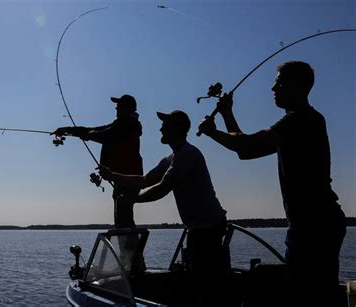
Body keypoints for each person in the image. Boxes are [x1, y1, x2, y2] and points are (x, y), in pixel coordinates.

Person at [198, 61, 347, 306]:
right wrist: (227, 114)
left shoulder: (300, 120)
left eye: (279, 81)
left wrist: (212, 131)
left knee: (309, 294)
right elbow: (246, 150)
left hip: (313, 225)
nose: (273, 87)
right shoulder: (301, 122)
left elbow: (246, 145)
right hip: (316, 223)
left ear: (298, 86)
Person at [100, 110, 228, 306]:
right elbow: (144, 180)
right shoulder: (171, 158)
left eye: (165, 125)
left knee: (206, 287)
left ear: (177, 128)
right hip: (198, 229)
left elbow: (162, 188)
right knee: (200, 283)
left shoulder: (187, 155)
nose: (161, 128)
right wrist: (113, 175)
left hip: (208, 229)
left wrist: (132, 200)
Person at [53, 94, 143, 229]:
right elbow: (96, 130)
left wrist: (86, 135)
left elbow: (105, 135)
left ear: (127, 108)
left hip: (128, 179)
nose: (116, 108)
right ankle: (129, 249)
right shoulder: (121, 124)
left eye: (119, 106)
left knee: (124, 220)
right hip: (122, 178)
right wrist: (68, 130)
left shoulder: (128, 125)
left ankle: (130, 249)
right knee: (122, 219)